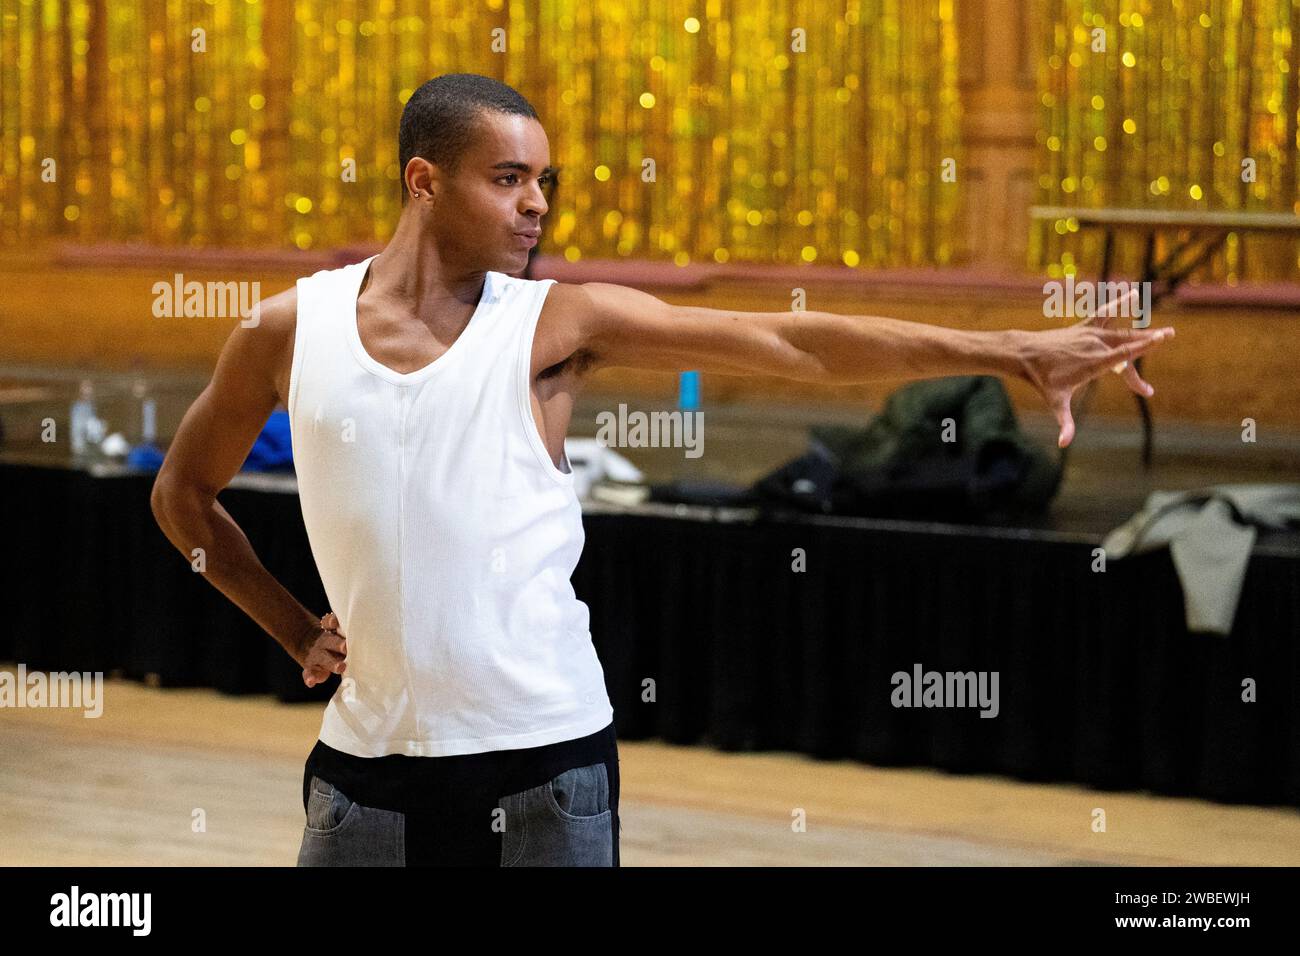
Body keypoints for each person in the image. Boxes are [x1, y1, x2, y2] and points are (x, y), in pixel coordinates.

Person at [149, 73, 1175, 867]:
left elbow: (793, 343)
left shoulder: (555, 320)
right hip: (360, 773)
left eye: (544, 180)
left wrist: (1011, 350)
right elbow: (182, 493)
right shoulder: (290, 326)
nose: (536, 203)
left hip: (544, 764)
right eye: (507, 178)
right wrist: (291, 626)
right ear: (425, 180)